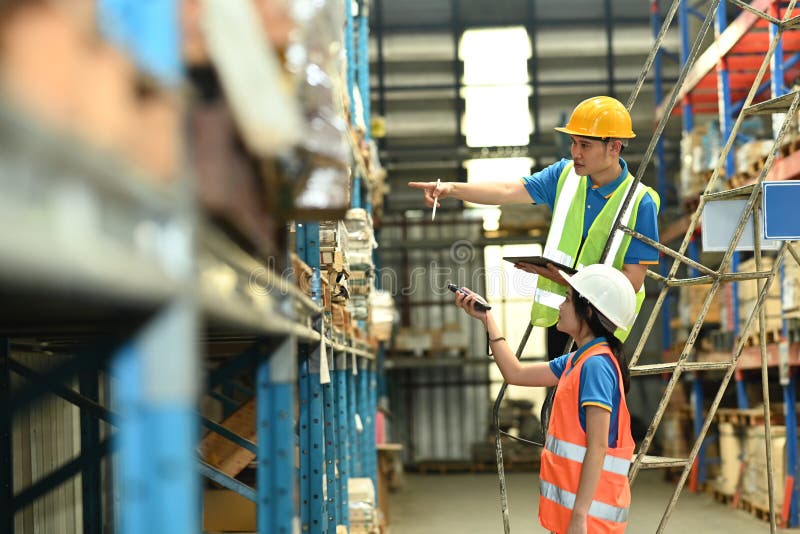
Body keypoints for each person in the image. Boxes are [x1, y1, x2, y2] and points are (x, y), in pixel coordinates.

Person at [409, 96, 660, 355]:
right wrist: (450, 189)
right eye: (574, 143)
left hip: (602, 328)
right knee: (559, 391)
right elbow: (507, 191)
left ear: (614, 148)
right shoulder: (564, 176)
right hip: (561, 316)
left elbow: (632, 282)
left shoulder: (641, 202)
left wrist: (563, 278)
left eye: (585, 145)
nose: (575, 153)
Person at [453, 263, 636, 534]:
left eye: (567, 299)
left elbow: (597, 447)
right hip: (576, 510)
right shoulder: (579, 360)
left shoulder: (595, 366)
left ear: (588, 311)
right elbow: (516, 373)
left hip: (590, 518)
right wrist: (487, 319)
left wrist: (580, 516)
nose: (560, 306)